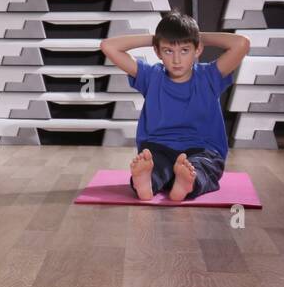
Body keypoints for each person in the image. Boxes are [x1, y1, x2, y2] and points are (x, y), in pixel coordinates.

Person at [101, 11, 250, 201]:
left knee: (201, 167)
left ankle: (186, 184)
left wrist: (193, 35)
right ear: (158, 52)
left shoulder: (209, 76)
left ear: (198, 50)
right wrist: (159, 38)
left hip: (203, 150)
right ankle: (146, 184)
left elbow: (242, 43)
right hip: (158, 148)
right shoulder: (151, 76)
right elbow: (108, 46)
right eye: (168, 51)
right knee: (154, 165)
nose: (177, 60)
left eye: (185, 50)